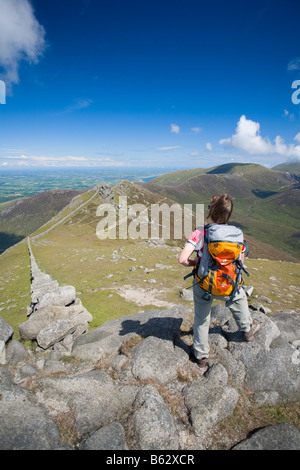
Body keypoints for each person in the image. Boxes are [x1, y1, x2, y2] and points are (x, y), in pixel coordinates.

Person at [179, 194, 260, 368]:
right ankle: (247, 331)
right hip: (228, 283)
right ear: (229, 214)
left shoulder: (201, 232)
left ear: (211, 212)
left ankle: (201, 356)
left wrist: (195, 262)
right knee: (239, 298)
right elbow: (241, 263)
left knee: (202, 318)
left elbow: (182, 259)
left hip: (204, 284)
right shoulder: (238, 235)